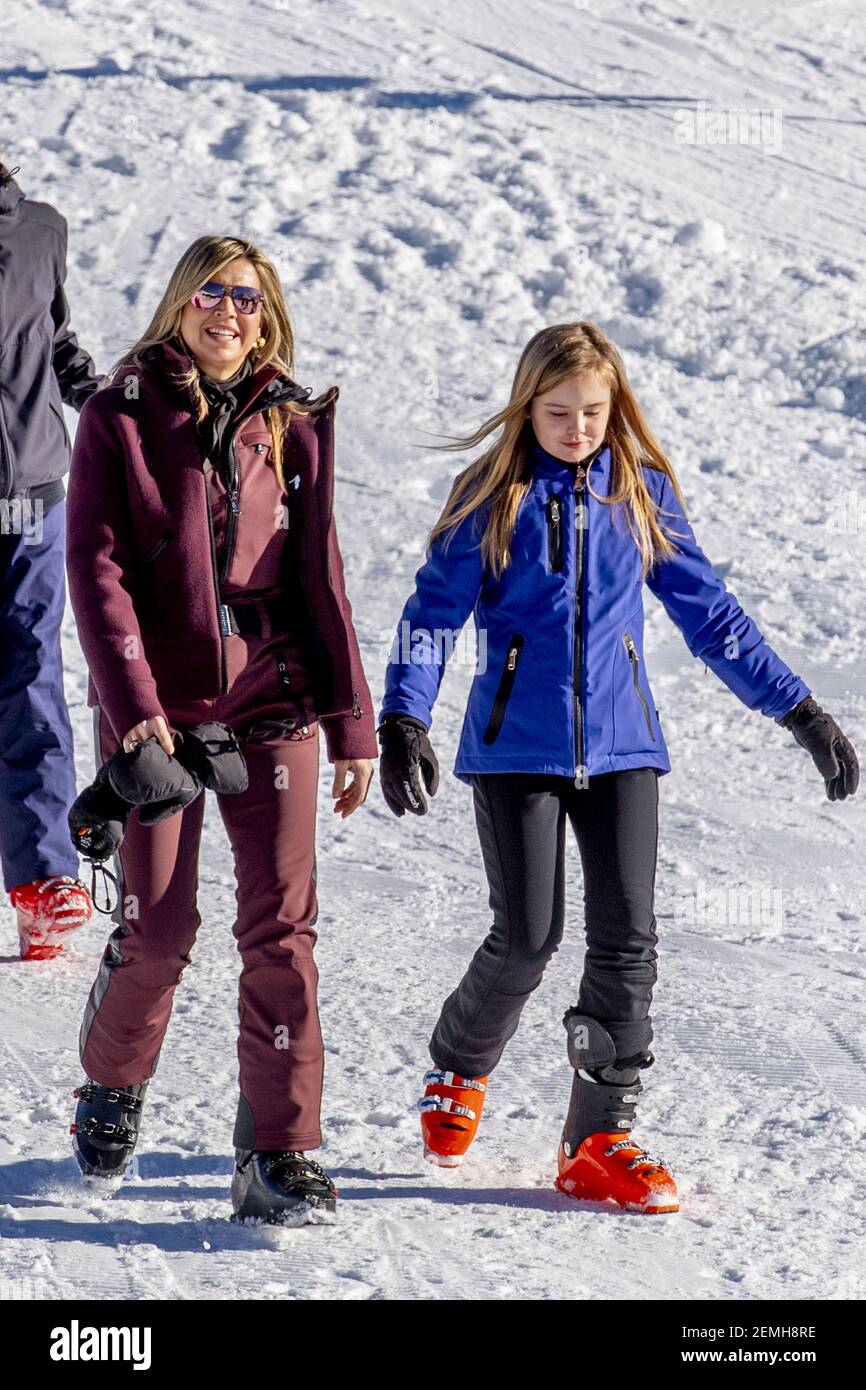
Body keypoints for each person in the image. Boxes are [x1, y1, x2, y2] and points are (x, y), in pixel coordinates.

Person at [377, 321, 858, 1215]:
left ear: (615, 407)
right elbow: (431, 615)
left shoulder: (640, 492)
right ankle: (460, 1060)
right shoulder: (490, 495)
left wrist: (799, 709)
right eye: (558, 412)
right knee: (527, 935)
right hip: (515, 749)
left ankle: (598, 1137)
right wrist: (404, 714)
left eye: (593, 412)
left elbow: (712, 617)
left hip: (625, 746)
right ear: (528, 406)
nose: (577, 429)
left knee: (628, 941)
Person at [65, 235, 378, 1224]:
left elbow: (318, 578)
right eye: (210, 291)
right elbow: (96, 570)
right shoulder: (117, 417)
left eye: (247, 297)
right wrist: (131, 709)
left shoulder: (294, 422)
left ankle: (277, 1153)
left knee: (279, 930)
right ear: (177, 304)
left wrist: (351, 723)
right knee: (158, 931)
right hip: (159, 704)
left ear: (267, 315)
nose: (227, 311)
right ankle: (112, 1083)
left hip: (271, 699)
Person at [0, 157, 101, 960]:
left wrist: (102, 403)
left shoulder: (42, 229)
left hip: (33, 493)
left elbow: (54, 338)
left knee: (34, 676)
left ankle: (44, 880)